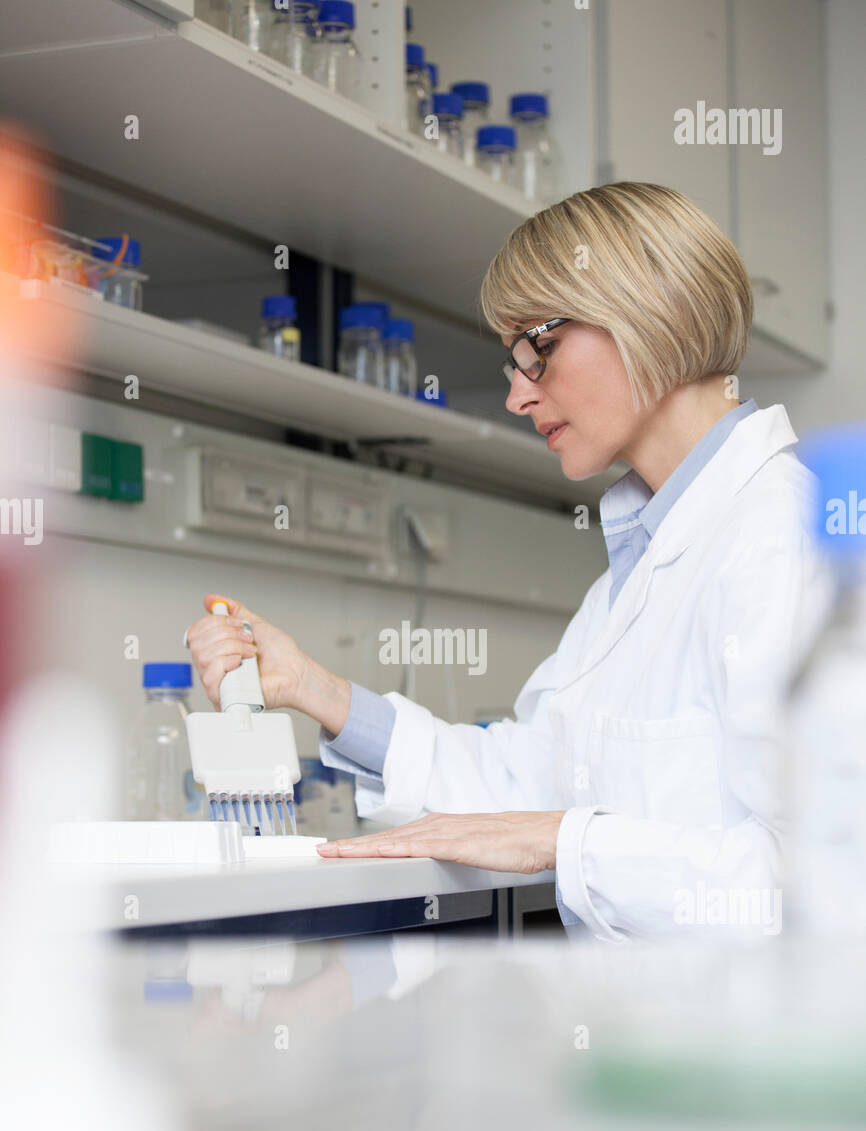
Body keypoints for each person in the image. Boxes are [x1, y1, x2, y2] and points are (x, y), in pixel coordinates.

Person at [186, 182, 832, 942]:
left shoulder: (781, 538)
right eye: (512, 363)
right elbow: (525, 779)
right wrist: (311, 688)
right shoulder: (643, 561)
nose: (518, 397)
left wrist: (564, 841)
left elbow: (827, 879)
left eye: (537, 351)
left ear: (649, 311)